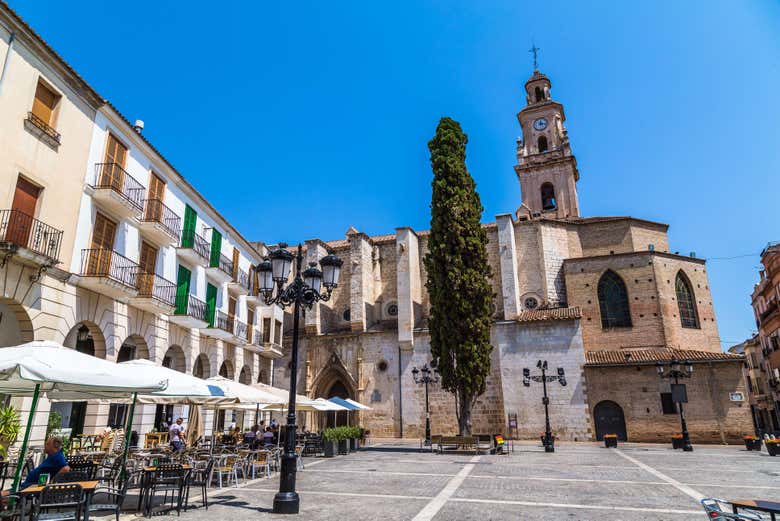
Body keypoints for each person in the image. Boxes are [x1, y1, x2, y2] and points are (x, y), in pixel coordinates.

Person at [2, 437, 69, 494]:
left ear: (54, 447)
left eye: (47, 444)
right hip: (28, 485)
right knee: (4, 494)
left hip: (32, 487)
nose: (45, 446)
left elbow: (66, 468)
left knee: (2, 495)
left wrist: (52, 481)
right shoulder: (52, 456)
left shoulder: (57, 456)